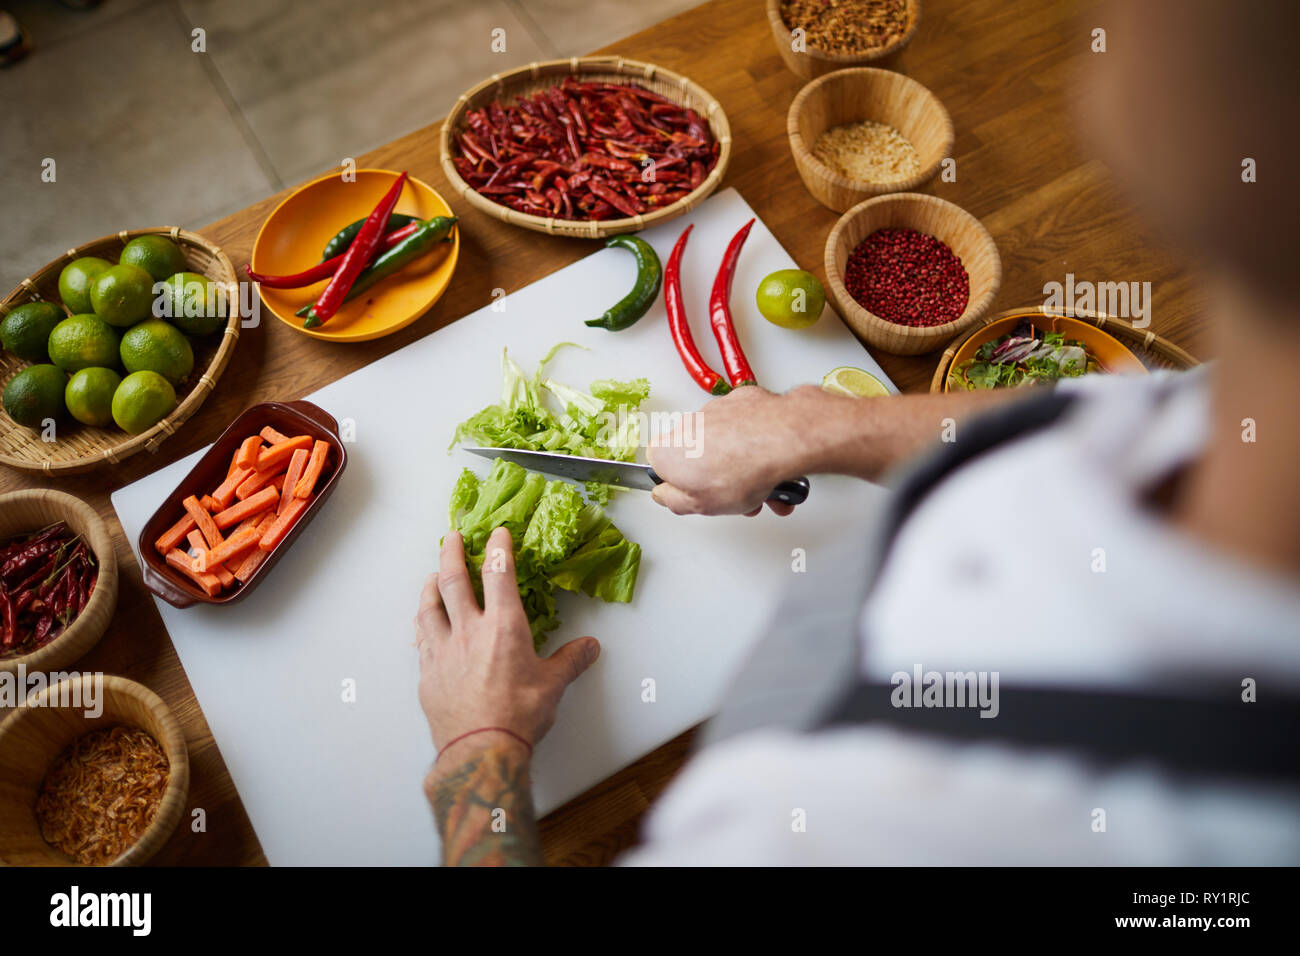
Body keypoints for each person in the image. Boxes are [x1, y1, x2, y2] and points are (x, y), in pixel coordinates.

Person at [414, 0, 1300, 866]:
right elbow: (1121, 422)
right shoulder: (1241, 402)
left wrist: (478, 750)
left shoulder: (839, 819)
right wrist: (822, 427)